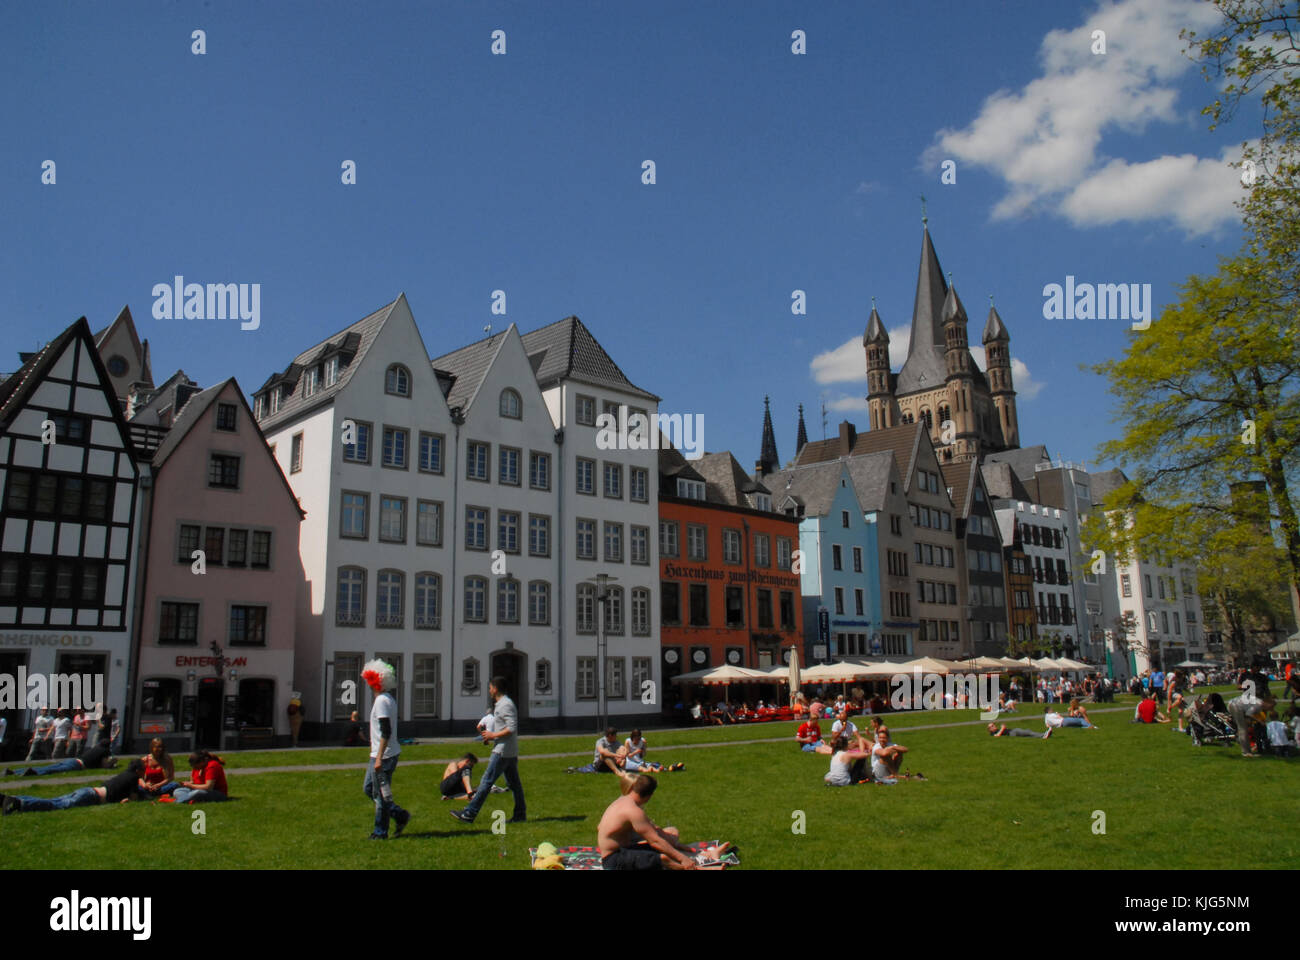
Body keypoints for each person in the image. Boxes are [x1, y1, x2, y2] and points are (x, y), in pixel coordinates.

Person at [451, 675, 525, 824]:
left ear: (496, 688)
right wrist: (490, 736)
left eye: (490, 687)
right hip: (508, 751)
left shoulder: (505, 704)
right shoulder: (502, 704)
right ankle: (520, 814)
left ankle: (469, 813)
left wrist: (493, 735)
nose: (489, 690)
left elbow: (511, 728)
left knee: (486, 781)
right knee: (514, 785)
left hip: (502, 751)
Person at [596, 774, 698, 870]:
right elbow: (655, 841)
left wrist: (674, 845)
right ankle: (688, 867)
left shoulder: (622, 801)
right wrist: (683, 859)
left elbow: (599, 827)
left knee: (665, 845)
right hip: (614, 861)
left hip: (619, 851)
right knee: (660, 858)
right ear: (650, 795)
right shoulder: (633, 811)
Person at [360, 660, 409, 837]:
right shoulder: (388, 699)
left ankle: (380, 832)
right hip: (382, 753)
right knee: (369, 789)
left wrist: (379, 757)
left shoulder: (381, 701)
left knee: (380, 795)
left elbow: (385, 731)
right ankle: (399, 814)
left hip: (384, 756)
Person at [2, 759, 146, 815]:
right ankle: (19, 803)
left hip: (88, 791)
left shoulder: (124, 775)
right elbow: (133, 797)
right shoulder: (134, 778)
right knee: (56, 805)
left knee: (54, 800)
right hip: (91, 797)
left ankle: (12, 799)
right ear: (138, 771)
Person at [1228, 668, 1274, 757]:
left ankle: (1248, 750)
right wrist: (1260, 721)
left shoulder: (1259, 703)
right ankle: (1245, 752)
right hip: (1235, 706)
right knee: (1242, 729)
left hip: (1238, 705)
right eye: (1270, 707)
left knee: (1244, 728)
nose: (1269, 709)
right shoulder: (1258, 704)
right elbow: (1250, 714)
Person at [7, 740, 117, 777]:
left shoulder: (95, 748)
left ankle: (14, 771)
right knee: (52, 770)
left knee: (50, 766)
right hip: (77, 765)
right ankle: (31, 772)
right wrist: (113, 762)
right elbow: (105, 765)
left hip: (73, 760)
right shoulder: (104, 751)